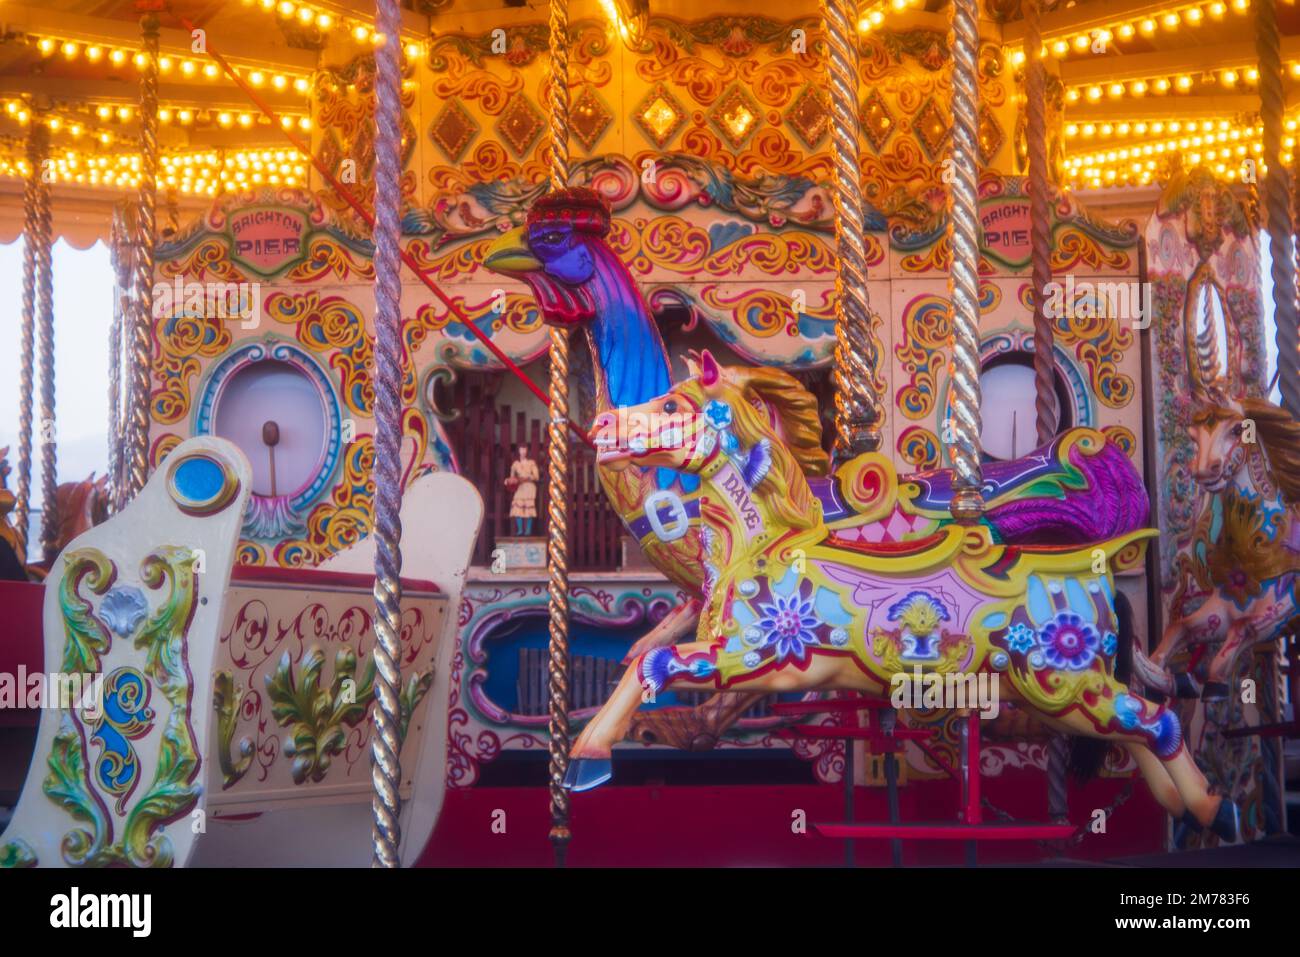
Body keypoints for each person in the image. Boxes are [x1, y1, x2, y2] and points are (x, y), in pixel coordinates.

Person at [505, 445, 539, 536]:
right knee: (517, 507)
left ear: (527, 451)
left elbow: (536, 476)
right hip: (519, 487)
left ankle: (528, 530)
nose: (523, 452)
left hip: (529, 487)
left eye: (524, 450)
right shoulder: (515, 464)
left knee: (529, 508)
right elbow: (512, 477)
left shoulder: (531, 463)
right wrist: (509, 481)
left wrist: (527, 477)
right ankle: (520, 529)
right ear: (518, 451)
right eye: (521, 450)